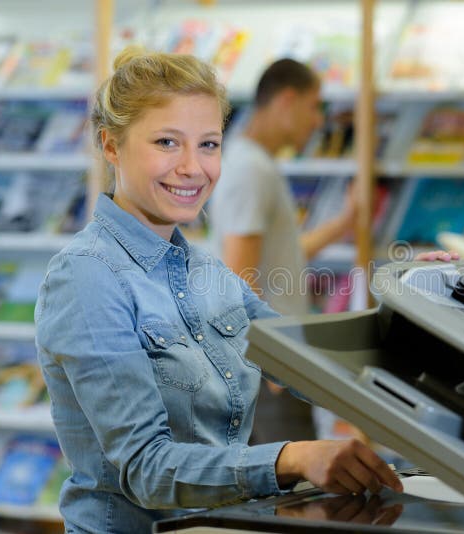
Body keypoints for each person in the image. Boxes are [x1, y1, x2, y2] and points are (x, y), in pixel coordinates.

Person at [34, 47, 404, 533]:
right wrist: (290, 459)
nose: (193, 167)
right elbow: (147, 469)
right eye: (167, 142)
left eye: (208, 144)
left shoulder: (205, 270)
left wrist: (416, 310)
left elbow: (307, 358)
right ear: (110, 146)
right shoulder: (86, 278)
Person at [209, 58, 354, 445]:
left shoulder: (252, 164)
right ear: (286, 100)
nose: (318, 121)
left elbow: (280, 256)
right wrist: (267, 361)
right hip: (269, 371)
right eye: (313, 106)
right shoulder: (250, 170)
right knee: (289, 493)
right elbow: (239, 278)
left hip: (270, 365)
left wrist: (344, 222)